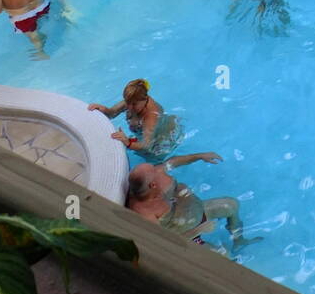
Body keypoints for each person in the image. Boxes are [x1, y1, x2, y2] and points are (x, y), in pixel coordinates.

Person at [126, 153, 259, 250]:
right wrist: (198, 231)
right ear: (153, 185)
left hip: (198, 211)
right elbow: (161, 241)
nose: (159, 169)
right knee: (223, 256)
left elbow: (172, 162)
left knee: (231, 205)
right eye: (155, 170)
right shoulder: (143, 212)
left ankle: (239, 240)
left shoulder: (153, 177)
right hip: (187, 235)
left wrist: (199, 156)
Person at [88, 78, 182, 162]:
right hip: (148, 134)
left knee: (151, 159)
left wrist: (128, 143)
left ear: (145, 99)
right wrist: (103, 109)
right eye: (127, 102)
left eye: (134, 104)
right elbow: (112, 113)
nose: (129, 107)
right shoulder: (133, 99)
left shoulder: (151, 116)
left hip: (161, 141)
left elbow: (146, 145)